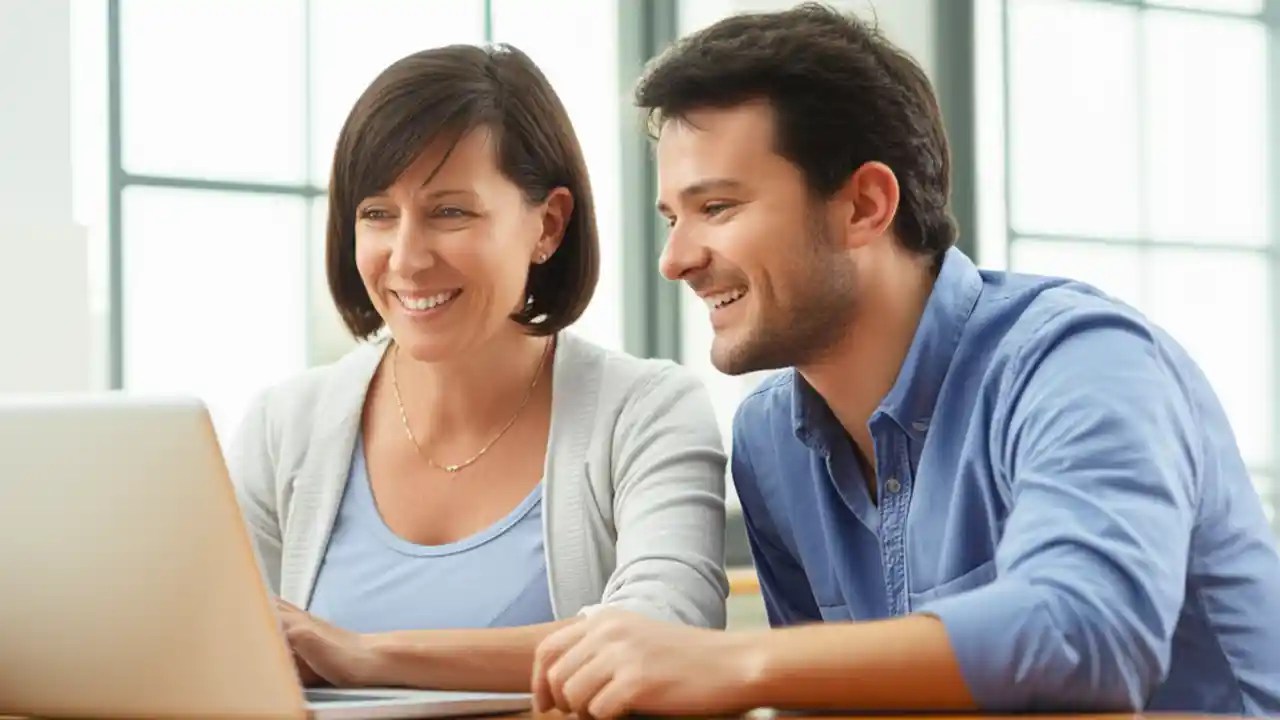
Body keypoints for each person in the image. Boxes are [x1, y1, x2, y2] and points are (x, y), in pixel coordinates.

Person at [530, 3, 1280, 717]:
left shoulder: (1082, 362)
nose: (676, 259)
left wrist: (725, 664)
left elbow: (1087, 632)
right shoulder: (769, 443)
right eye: (673, 217)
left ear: (865, 206)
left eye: (717, 208)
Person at [226, 43, 728, 693]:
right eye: (378, 214)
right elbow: (221, 648)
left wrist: (364, 655)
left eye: (449, 212)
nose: (406, 258)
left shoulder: (646, 411)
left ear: (548, 225)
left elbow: (665, 635)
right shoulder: (283, 426)